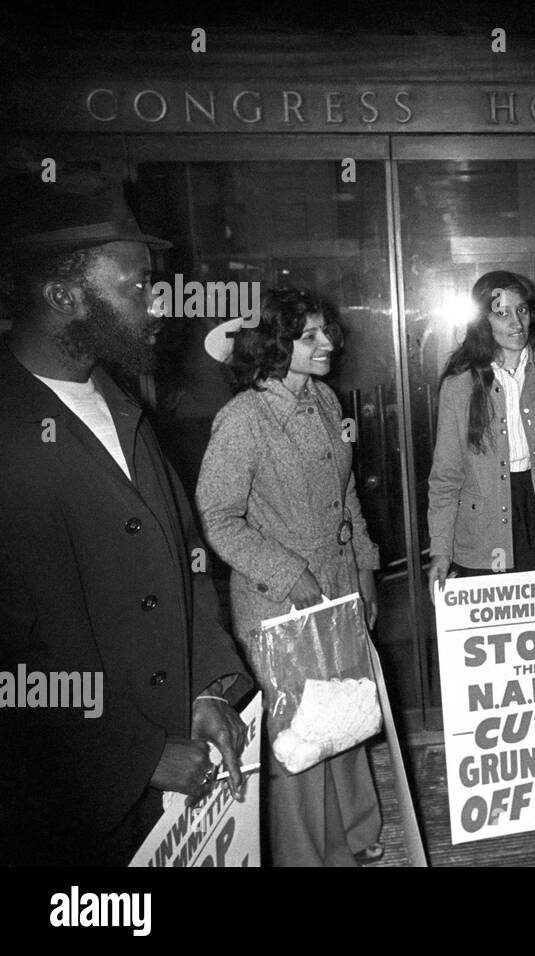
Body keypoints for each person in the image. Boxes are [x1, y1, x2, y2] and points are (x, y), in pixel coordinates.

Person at [0, 172, 250, 866]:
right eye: (138, 284)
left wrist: (207, 689)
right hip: (68, 806)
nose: (159, 303)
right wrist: (134, 754)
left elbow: (186, 566)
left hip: (167, 793)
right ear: (63, 295)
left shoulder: (124, 409)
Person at [196, 288, 385, 867]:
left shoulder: (326, 400)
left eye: (327, 330)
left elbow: (346, 494)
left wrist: (367, 569)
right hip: (278, 606)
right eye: (310, 336)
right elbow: (216, 517)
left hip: (337, 588)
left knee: (346, 715)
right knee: (299, 736)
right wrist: (287, 572)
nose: (327, 343)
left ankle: (356, 831)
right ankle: (308, 855)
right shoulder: (245, 417)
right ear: (275, 345)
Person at [427, 271, 535, 587]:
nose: (516, 322)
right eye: (502, 313)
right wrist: (441, 551)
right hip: (485, 527)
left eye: (522, 310)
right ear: (483, 321)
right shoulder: (459, 386)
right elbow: (446, 475)